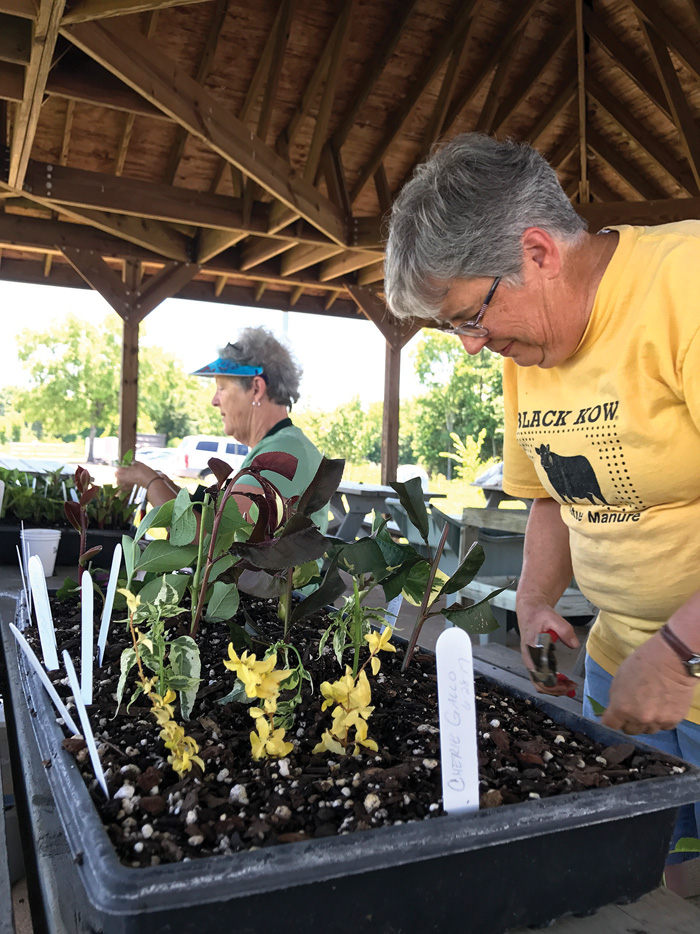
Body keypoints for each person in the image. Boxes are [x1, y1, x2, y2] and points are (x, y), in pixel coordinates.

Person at [384, 132, 700, 875]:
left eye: (467, 315)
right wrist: (532, 601)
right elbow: (548, 496)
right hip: (621, 671)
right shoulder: (529, 345)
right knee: (642, 886)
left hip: (679, 660)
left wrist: (682, 649)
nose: (468, 343)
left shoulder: (684, 284)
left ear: (538, 253)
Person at [115, 327, 328, 530]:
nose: (214, 400)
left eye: (222, 388)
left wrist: (150, 484)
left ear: (256, 388)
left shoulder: (283, 453)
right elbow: (221, 521)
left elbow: (215, 540)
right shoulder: (282, 444)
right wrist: (166, 485)